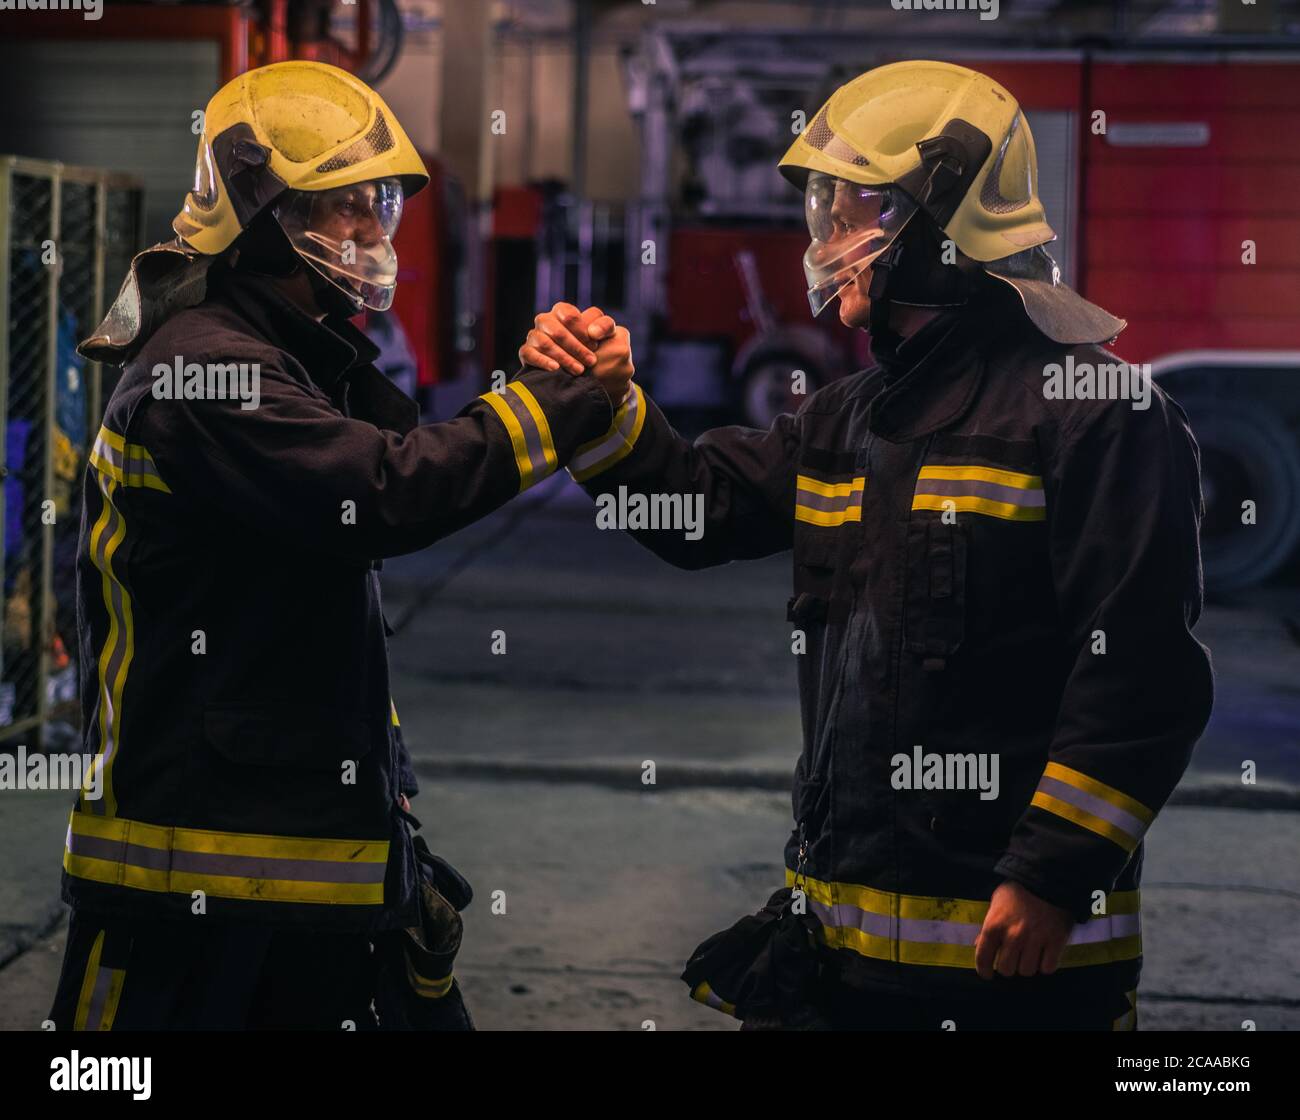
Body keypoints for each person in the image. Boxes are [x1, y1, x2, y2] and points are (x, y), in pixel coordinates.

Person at [522, 60, 1214, 1030]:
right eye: (826, 209)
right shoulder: (845, 420)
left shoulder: (1101, 416)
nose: (827, 240)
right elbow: (694, 513)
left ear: (936, 235)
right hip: (843, 957)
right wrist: (603, 404)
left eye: (852, 213)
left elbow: (1142, 676)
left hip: (1012, 968)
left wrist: (1055, 876)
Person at [48, 60, 614, 1030]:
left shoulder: (270, 353)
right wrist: (546, 410)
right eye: (344, 211)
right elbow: (381, 491)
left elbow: (380, 457)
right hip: (191, 869)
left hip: (289, 842)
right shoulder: (208, 370)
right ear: (263, 219)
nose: (373, 237)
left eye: (378, 207)